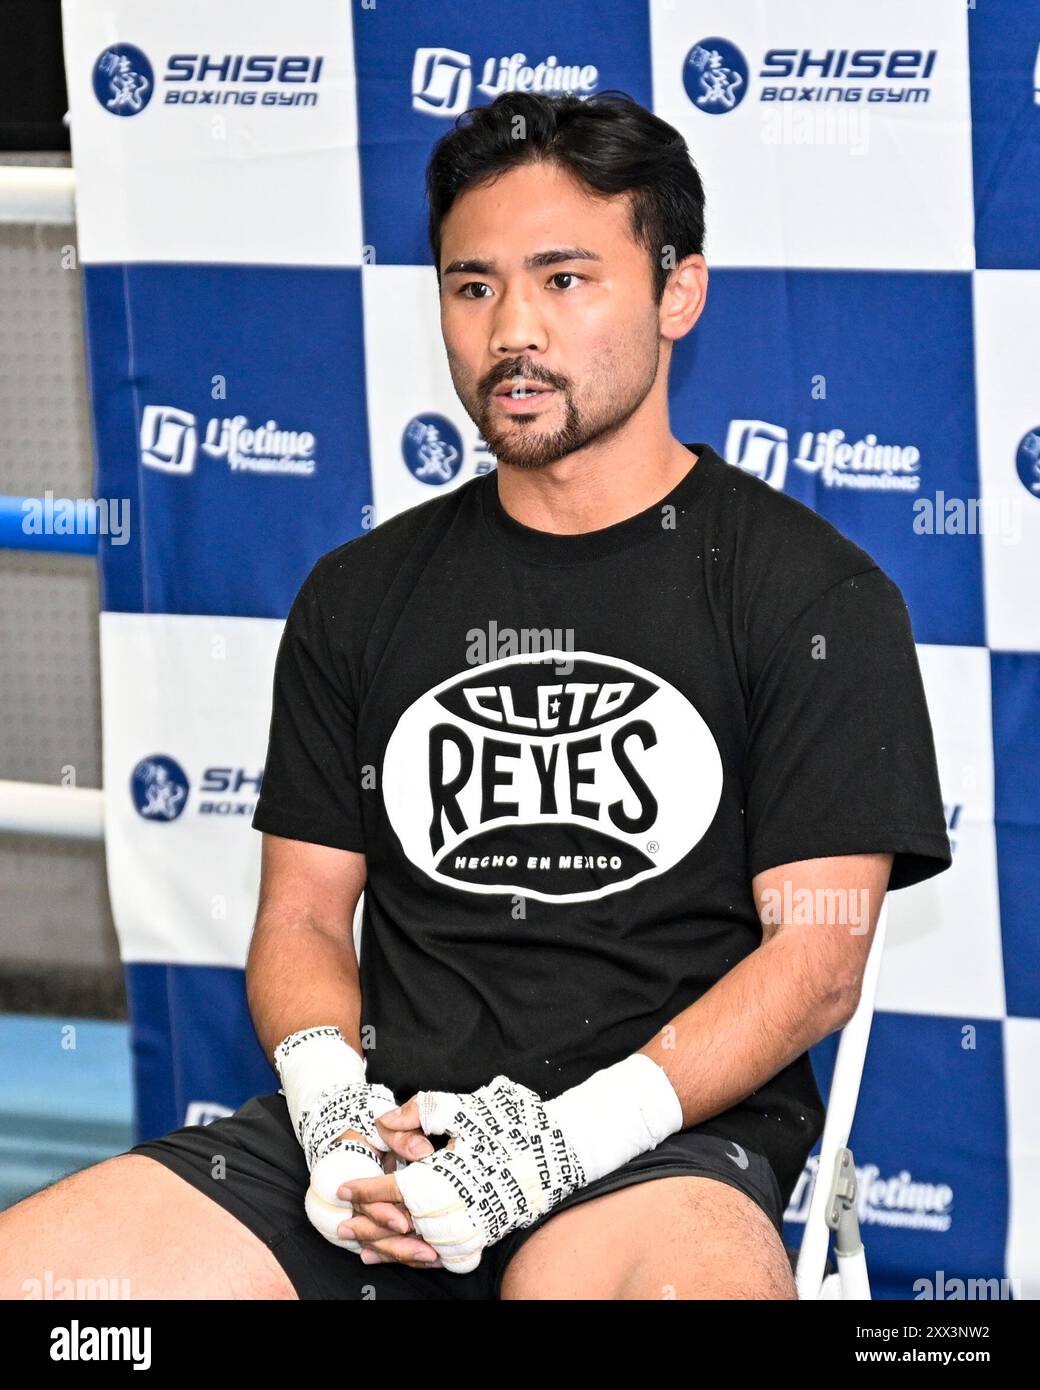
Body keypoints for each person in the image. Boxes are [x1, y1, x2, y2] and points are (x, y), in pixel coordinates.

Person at [0, 89, 951, 1301]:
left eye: (565, 279)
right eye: (472, 285)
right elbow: (300, 918)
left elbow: (815, 961)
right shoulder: (360, 593)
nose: (512, 329)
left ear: (677, 291)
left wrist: (562, 1144)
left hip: (648, 1155)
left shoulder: (812, 596)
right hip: (380, 1142)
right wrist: (335, 1113)